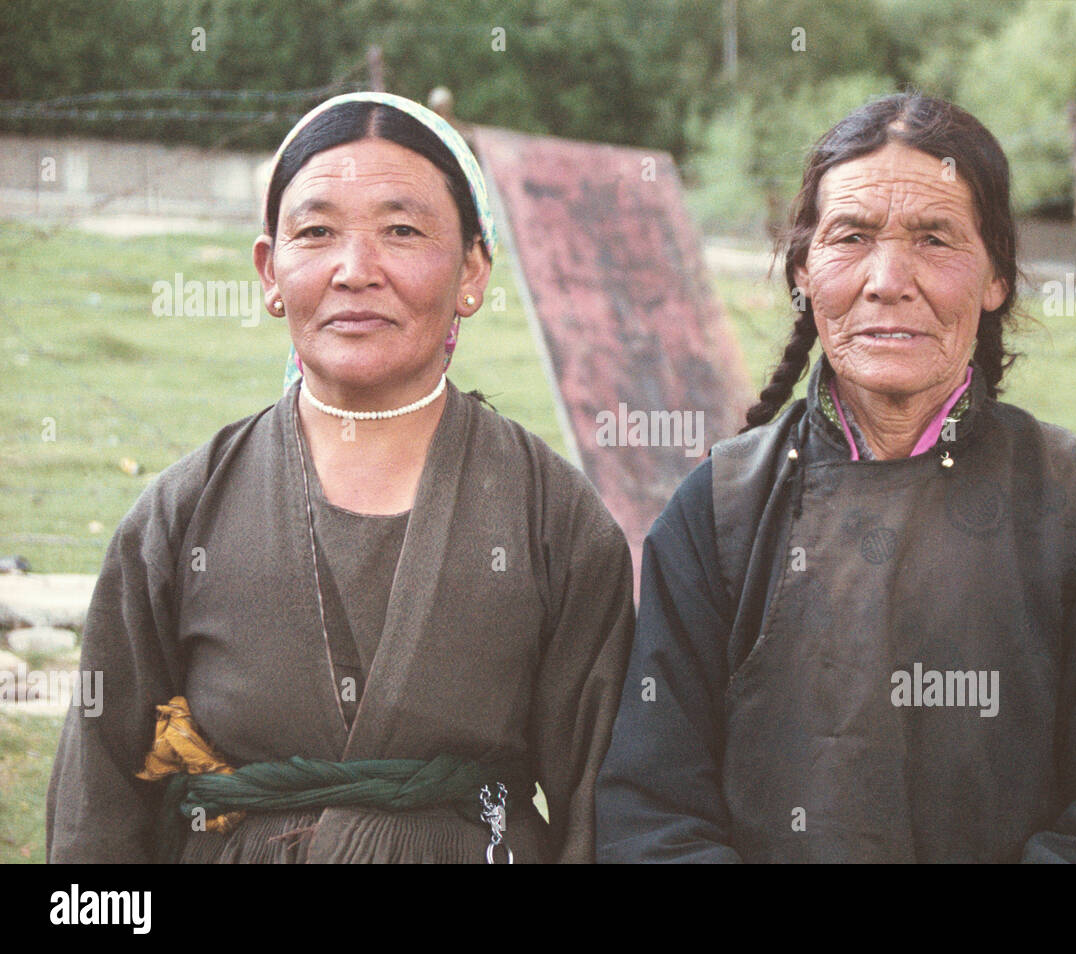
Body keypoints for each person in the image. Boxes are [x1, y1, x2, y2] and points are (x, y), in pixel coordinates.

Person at [595, 92, 1076, 863]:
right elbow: (651, 814)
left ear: (995, 278)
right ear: (804, 273)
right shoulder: (718, 512)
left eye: (934, 238)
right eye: (851, 237)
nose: (888, 279)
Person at [47, 92, 635, 864]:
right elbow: (100, 802)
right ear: (268, 270)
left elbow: (608, 802)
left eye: (401, 230)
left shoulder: (554, 519)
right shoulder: (182, 515)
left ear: (472, 269)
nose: (356, 271)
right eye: (317, 232)